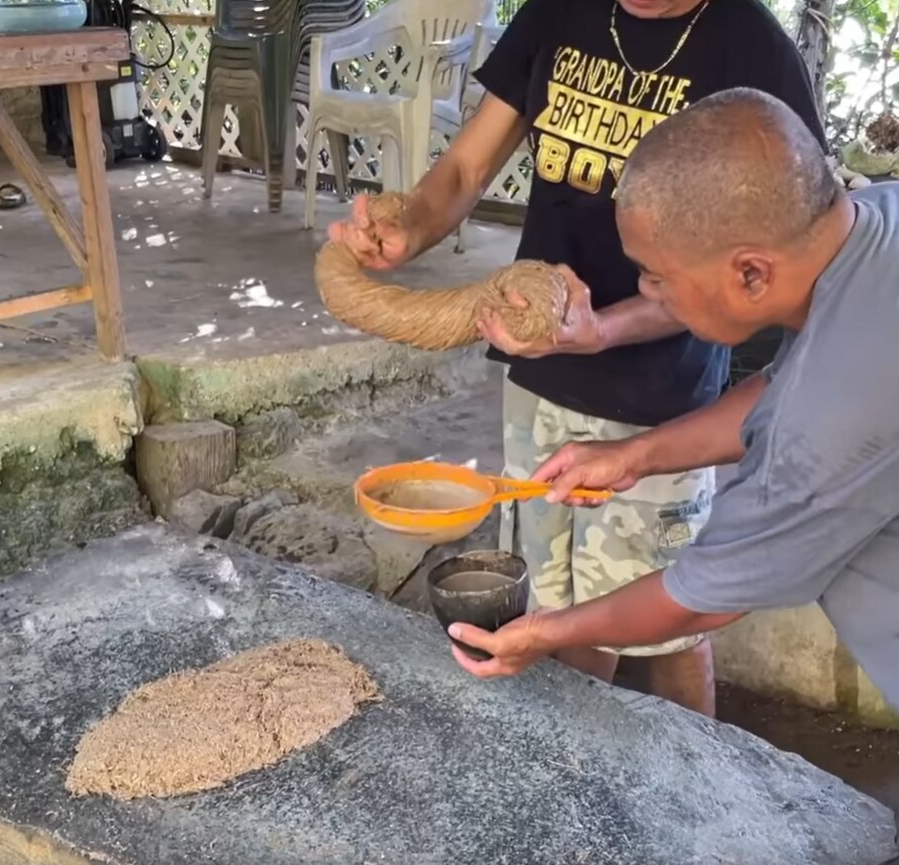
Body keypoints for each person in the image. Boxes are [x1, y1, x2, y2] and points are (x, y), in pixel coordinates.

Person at [329, 0, 826, 716]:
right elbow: (466, 168)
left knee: (668, 623)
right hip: (542, 360)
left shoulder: (754, 51)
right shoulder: (558, 13)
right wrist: (409, 226)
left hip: (661, 393)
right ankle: (582, 779)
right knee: (559, 603)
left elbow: (763, 261)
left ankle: (707, 784)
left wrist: (601, 328)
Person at [445, 87, 899, 713]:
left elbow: (701, 596)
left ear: (750, 274)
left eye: (657, 276)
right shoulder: (874, 224)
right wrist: (636, 454)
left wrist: (542, 634)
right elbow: (783, 386)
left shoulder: (833, 419)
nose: (643, 290)